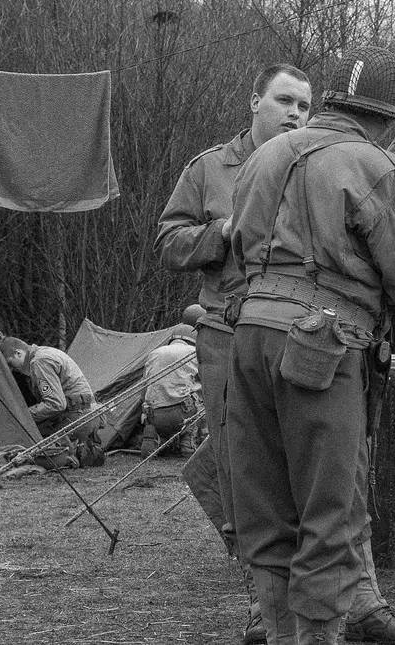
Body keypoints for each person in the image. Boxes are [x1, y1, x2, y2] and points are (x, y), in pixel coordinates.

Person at [228, 45, 395, 645]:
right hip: (323, 347)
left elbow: (238, 242)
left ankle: (275, 635)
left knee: (267, 512)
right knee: (332, 512)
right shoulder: (375, 165)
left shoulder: (263, 155)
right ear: (391, 117)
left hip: (249, 337)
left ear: (337, 102)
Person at [155, 63, 313, 645]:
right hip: (225, 335)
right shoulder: (209, 168)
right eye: (285, 100)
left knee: (301, 467)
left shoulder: (311, 165)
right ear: (254, 102)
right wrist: (219, 233)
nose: (296, 113)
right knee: (238, 469)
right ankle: (261, 602)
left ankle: (318, 594)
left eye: (304, 105)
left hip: (294, 337)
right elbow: (169, 244)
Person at [0, 336, 98, 443]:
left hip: (78, 417)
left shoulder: (39, 362)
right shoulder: (44, 352)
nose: (11, 368)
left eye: (9, 363)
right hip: (87, 412)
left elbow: (56, 404)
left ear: (18, 353)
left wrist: (24, 415)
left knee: (29, 439)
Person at [139, 324, 201, 459]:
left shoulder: (154, 353)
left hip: (155, 416)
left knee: (153, 402)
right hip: (183, 413)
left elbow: (143, 389)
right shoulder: (194, 352)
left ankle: (155, 436)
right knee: (204, 400)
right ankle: (188, 442)